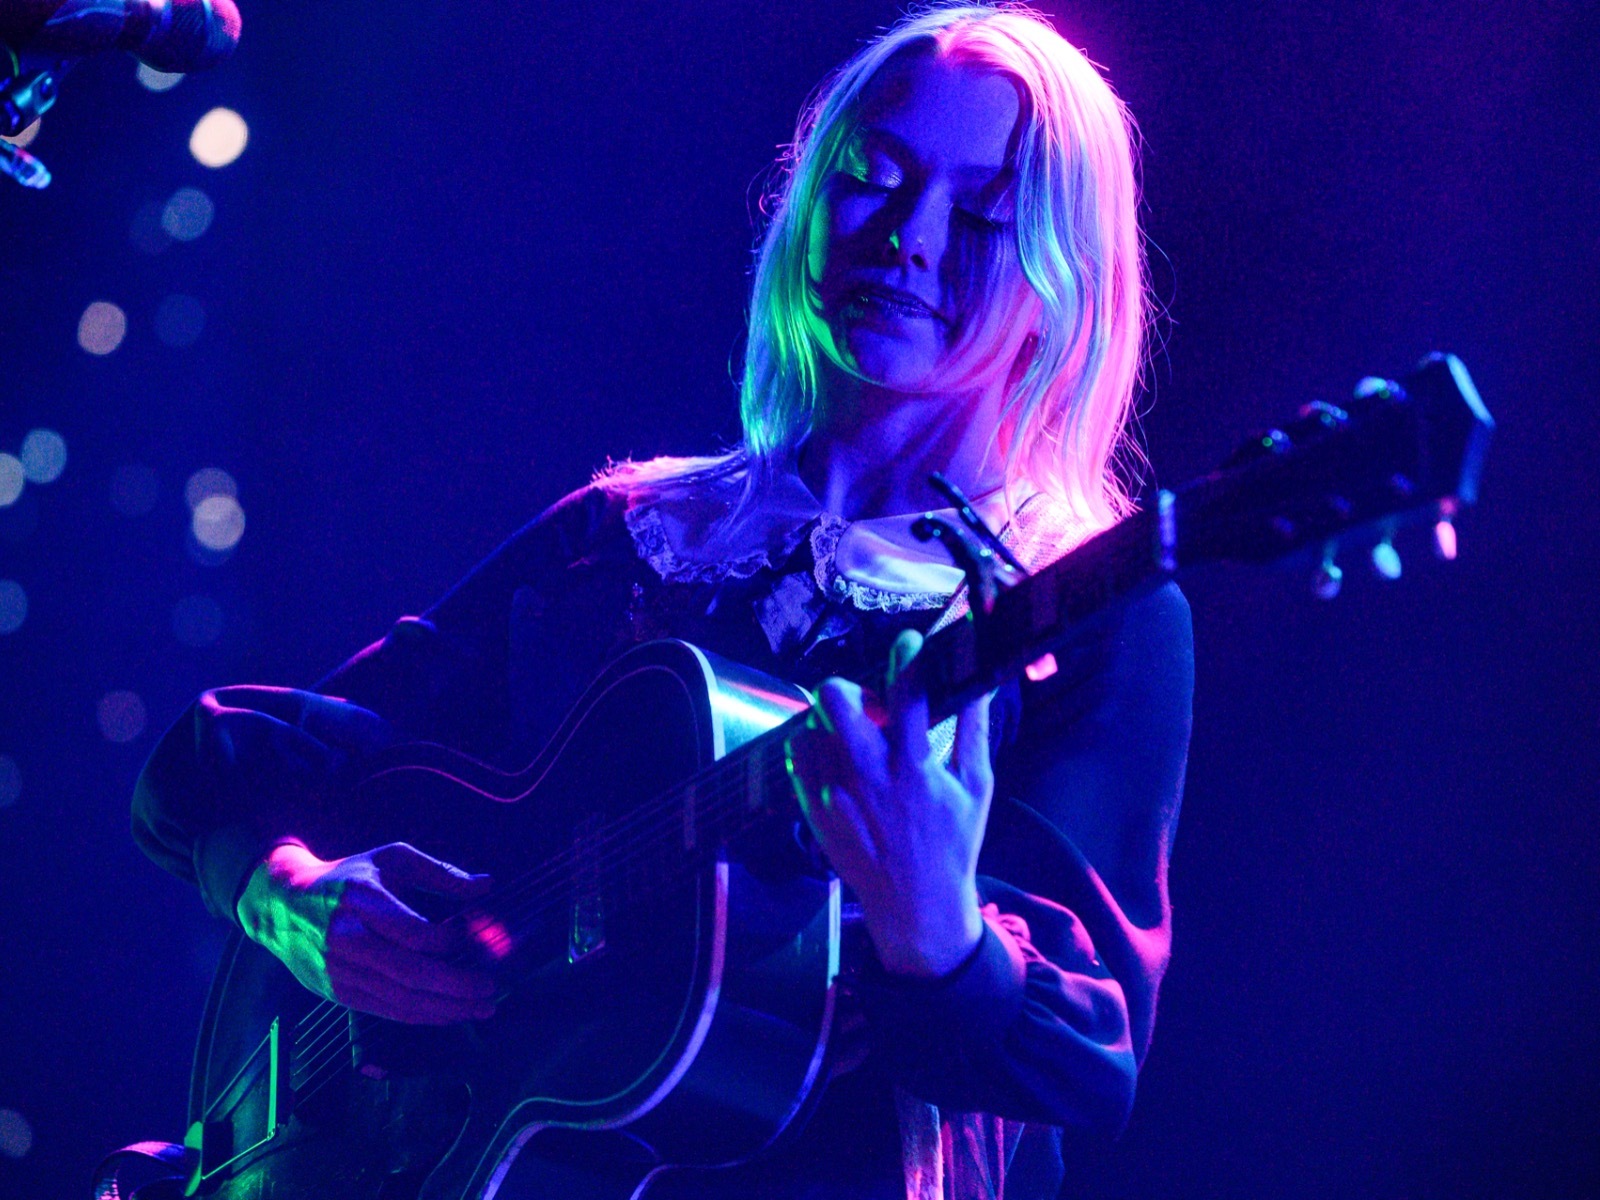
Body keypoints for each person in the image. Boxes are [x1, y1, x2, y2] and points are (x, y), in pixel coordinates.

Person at [132, 4, 1193, 1197]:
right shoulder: (629, 533)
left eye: (984, 215)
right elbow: (242, 764)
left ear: (1063, 275)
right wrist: (288, 890)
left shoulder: (1082, 605)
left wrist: (935, 929)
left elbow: (1087, 1061)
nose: (907, 238)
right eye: (875, 178)